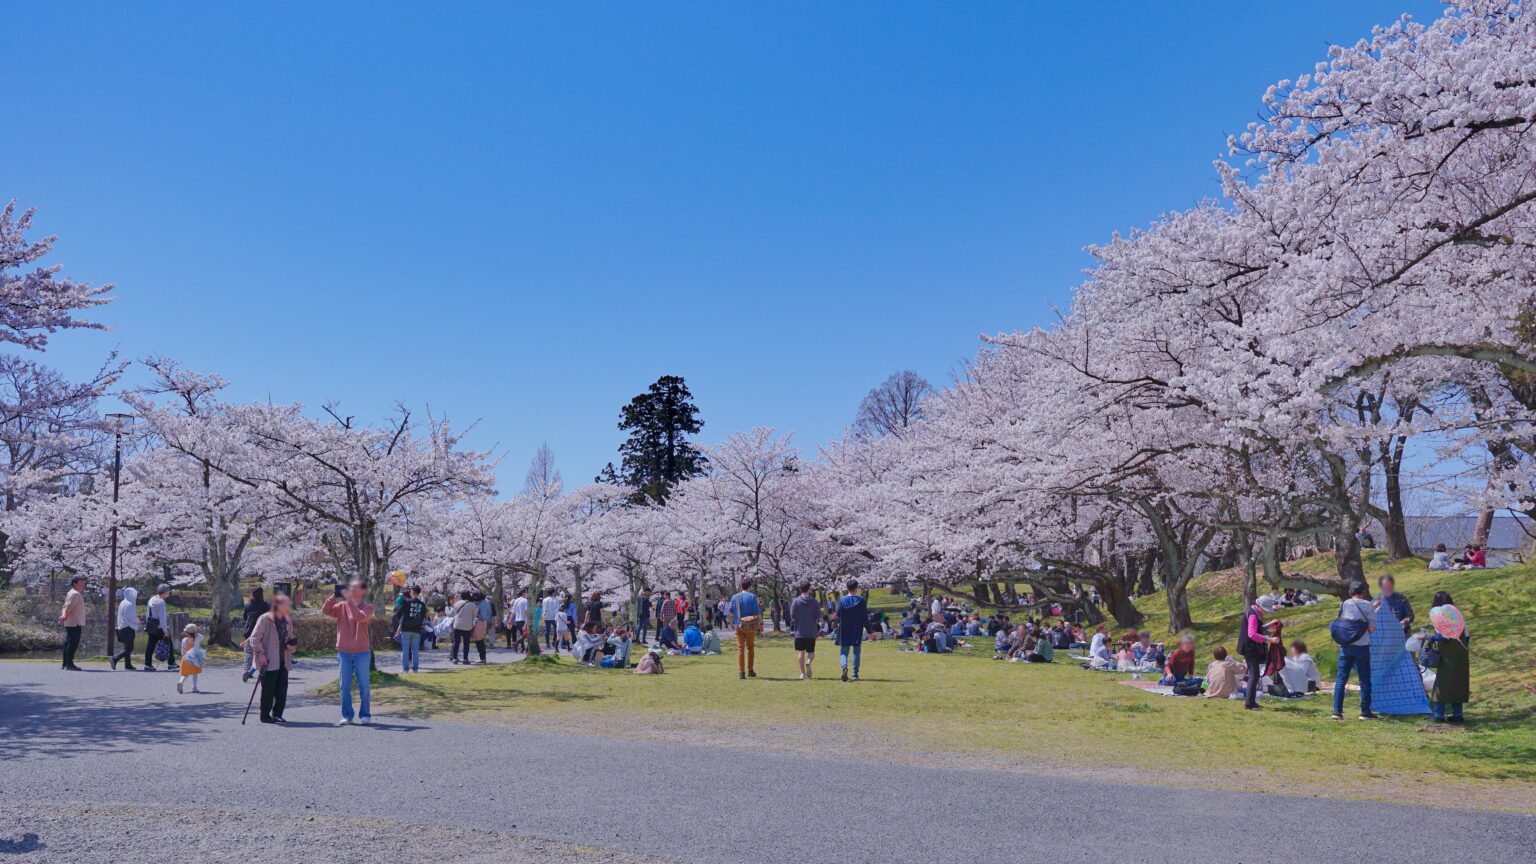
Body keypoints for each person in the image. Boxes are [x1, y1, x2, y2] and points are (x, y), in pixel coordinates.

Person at [323, 579, 376, 726]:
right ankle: (347, 715)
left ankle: (365, 715)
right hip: (344, 651)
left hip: (362, 652)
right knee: (344, 686)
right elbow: (325, 610)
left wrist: (349, 602)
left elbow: (358, 617)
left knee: (364, 685)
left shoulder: (368, 607)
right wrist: (334, 596)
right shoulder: (341, 606)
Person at [249, 593, 297, 724]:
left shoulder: (287, 619)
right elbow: (254, 639)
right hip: (268, 659)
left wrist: (291, 644)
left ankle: (277, 714)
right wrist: (260, 653)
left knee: (282, 690)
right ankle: (265, 715)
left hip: (284, 659)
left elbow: (290, 635)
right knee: (268, 689)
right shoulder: (265, 619)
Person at [1332, 581, 1377, 721]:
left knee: (1341, 679)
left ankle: (1336, 711)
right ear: (1362, 592)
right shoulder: (1368, 605)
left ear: (1350, 592)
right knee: (1364, 680)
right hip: (1362, 646)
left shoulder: (1345, 604)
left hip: (1346, 646)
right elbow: (1371, 629)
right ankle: (1365, 712)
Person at [1239, 596, 1281, 709]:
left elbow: (1258, 628)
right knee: (1254, 675)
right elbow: (1252, 634)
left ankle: (1251, 702)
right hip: (1249, 648)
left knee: (1254, 675)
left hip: (1250, 648)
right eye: (1266, 610)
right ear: (1261, 607)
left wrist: (1268, 625)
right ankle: (1249, 703)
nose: (1267, 613)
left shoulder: (1254, 612)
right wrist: (1270, 640)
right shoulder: (1253, 615)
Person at [729, 578, 763, 680]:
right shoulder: (752, 597)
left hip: (738, 625)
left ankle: (741, 672)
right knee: (750, 647)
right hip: (750, 626)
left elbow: (730, 613)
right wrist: (761, 624)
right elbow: (757, 613)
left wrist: (732, 624)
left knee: (740, 648)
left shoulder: (735, 597)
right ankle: (750, 670)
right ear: (749, 587)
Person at [835, 579, 868, 682]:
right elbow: (865, 618)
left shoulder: (841, 600)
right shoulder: (861, 601)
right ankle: (855, 674)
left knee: (844, 651)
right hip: (857, 629)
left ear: (847, 588)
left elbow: (838, 614)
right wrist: (870, 631)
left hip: (844, 629)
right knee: (856, 652)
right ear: (856, 588)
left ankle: (844, 666)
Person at [789, 581, 819, 679]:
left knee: (801, 652)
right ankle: (809, 662)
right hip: (811, 631)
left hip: (799, 631)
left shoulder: (796, 601)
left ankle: (802, 673)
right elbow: (818, 616)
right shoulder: (814, 602)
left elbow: (792, 616)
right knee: (811, 652)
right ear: (809, 589)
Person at [240, 587, 271, 682]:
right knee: (263, 653)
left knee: (248, 654)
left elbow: (245, 617)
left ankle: (246, 670)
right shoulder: (266, 606)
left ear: (253, 595)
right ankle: (262, 672)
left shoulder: (248, 605)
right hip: (262, 633)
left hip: (249, 633)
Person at [394, 585, 428, 672]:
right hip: (417, 630)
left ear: (412, 591)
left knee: (405, 650)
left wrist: (401, 623)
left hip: (406, 629)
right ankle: (415, 668)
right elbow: (424, 616)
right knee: (415, 650)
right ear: (419, 592)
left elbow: (398, 614)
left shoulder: (406, 602)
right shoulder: (422, 604)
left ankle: (405, 669)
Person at [58, 575, 87, 671]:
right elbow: (69, 607)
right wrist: (64, 616)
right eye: (81, 583)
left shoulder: (70, 593)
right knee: (73, 643)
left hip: (71, 621)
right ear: (75, 584)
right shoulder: (75, 594)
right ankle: (69, 663)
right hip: (75, 622)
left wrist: (63, 615)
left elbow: (65, 606)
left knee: (68, 642)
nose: (83, 585)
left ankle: (65, 663)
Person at [110, 587, 140, 671]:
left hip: (121, 627)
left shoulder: (123, 602)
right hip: (128, 628)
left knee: (127, 647)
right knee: (129, 648)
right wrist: (137, 620)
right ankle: (115, 658)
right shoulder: (130, 604)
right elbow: (130, 617)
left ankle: (128, 664)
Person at [143, 584, 171, 672]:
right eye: (168, 591)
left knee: (150, 646)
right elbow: (162, 619)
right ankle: (172, 663)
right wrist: (165, 630)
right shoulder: (161, 602)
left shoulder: (152, 599)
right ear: (165, 592)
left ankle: (147, 664)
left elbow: (147, 613)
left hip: (151, 625)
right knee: (169, 643)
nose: (169, 593)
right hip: (159, 627)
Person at [449, 591, 477, 665]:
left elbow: (454, 613)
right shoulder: (472, 605)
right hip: (467, 626)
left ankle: (455, 658)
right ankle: (465, 659)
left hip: (457, 625)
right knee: (466, 643)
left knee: (456, 642)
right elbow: (474, 616)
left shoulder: (457, 603)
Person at [177, 623, 205, 694]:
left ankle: (180, 682)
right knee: (195, 673)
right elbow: (202, 637)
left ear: (186, 632)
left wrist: (184, 655)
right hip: (195, 658)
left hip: (186, 658)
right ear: (195, 632)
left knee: (185, 674)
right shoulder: (197, 638)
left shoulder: (184, 640)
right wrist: (196, 633)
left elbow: (182, 652)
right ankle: (194, 687)